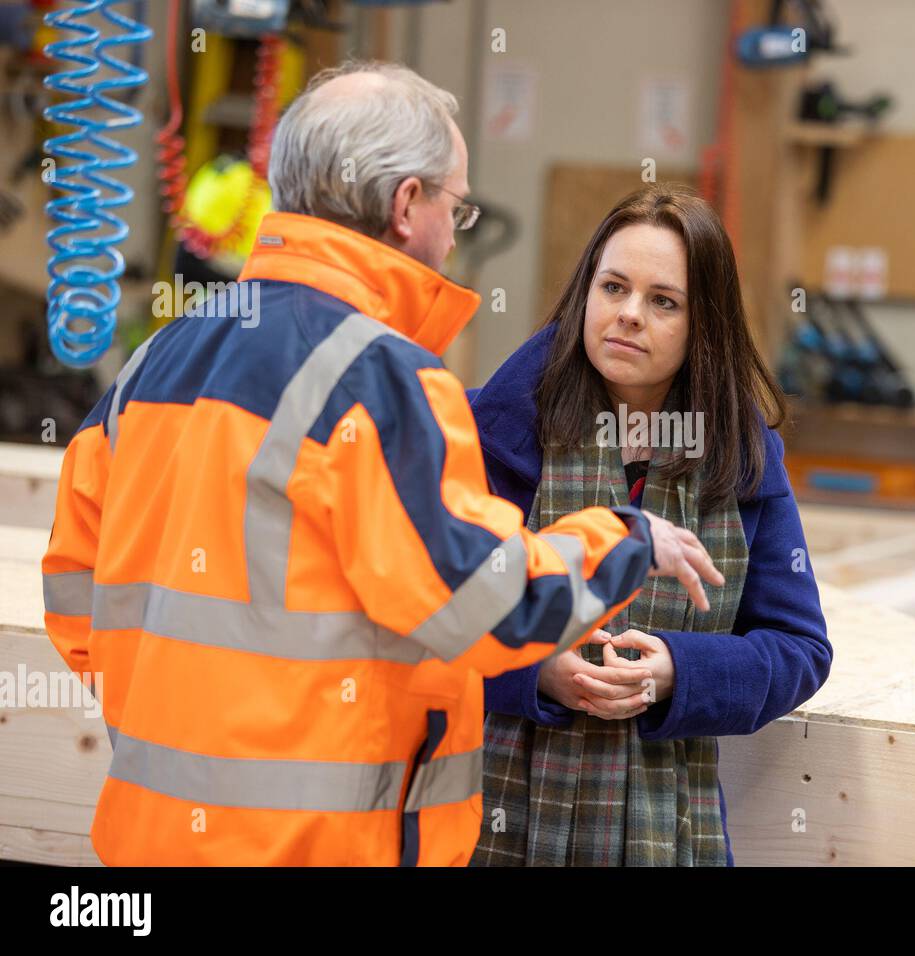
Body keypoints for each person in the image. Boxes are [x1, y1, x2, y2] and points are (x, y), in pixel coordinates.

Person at [40, 63, 721, 866]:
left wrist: (188, 717)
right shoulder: (378, 378)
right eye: (454, 204)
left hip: (146, 842)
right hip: (318, 847)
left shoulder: (157, 360)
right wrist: (626, 538)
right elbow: (487, 603)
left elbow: (75, 592)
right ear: (407, 205)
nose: (456, 228)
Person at [467, 184, 831, 866]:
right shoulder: (493, 434)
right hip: (486, 823)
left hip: (672, 833)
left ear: (705, 326)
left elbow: (798, 649)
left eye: (663, 301)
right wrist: (536, 672)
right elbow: (427, 621)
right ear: (585, 295)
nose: (628, 315)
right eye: (613, 288)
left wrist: (678, 674)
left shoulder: (745, 460)